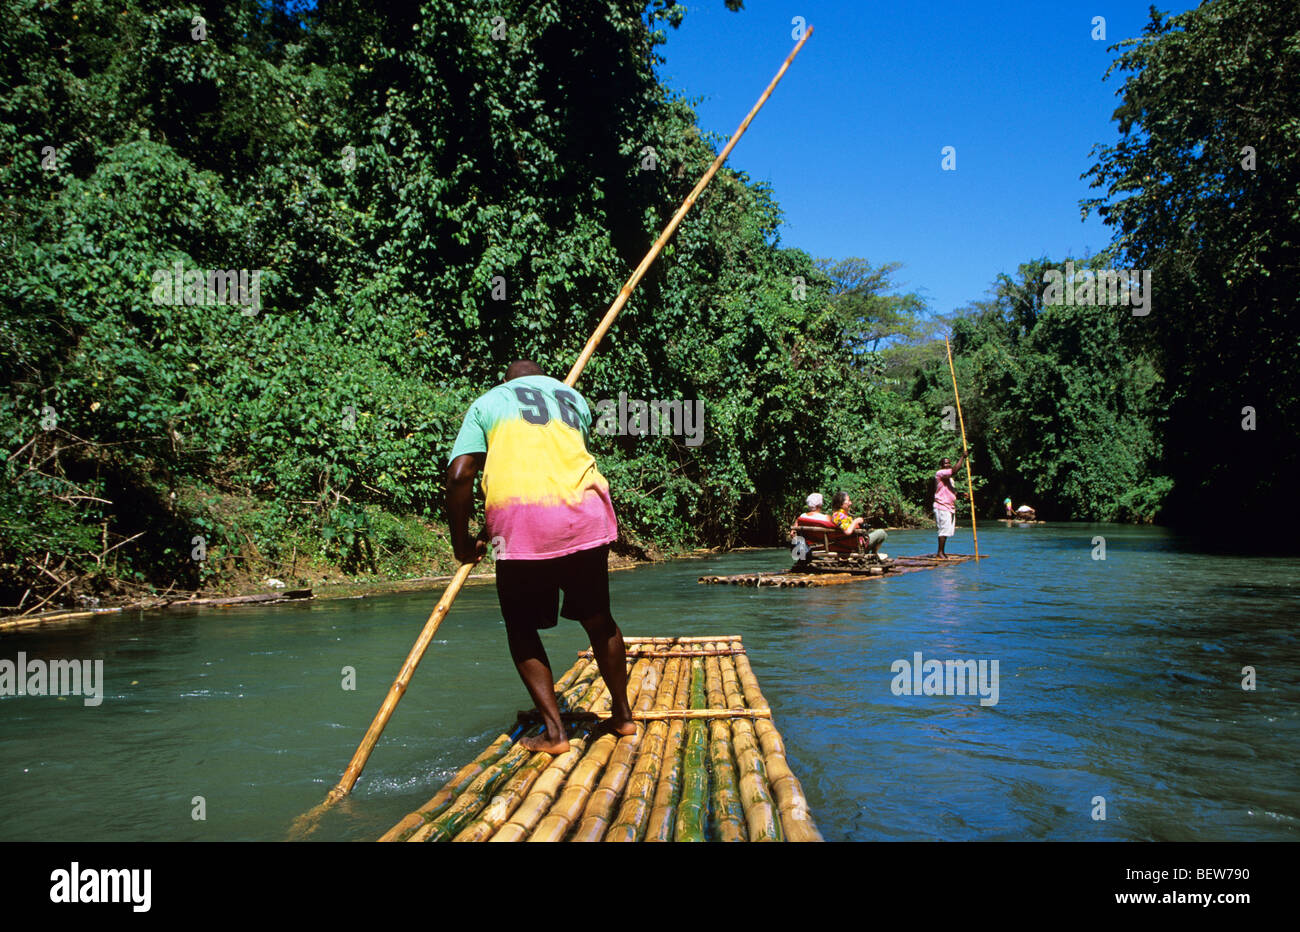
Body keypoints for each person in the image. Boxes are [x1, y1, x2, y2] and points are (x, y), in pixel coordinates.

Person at [446, 360, 635, 755]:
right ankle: (622, 716)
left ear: (507, 382)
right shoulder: (573, 400)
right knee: (599, 621)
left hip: (523, 524)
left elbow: (461, 473)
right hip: (584, 516)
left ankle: (554, 733)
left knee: (521, 627)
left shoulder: (488, 402)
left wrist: (462, 544)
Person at [829, 490, 888, 559]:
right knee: (882, 533)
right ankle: (874, 554)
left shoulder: (837, 515)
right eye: (848, 501)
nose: (850, 503)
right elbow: (847, 532)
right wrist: (856, 521)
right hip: (855, 547)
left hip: (847, 545)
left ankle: (873, 554)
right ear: (841, 504)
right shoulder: (839, 516)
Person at [934, 454, 965, 557]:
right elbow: (955, 470)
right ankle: (940, 552)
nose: (948, 464)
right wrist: (962, 457)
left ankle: (942, 551)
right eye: (945, 463)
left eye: (949, 463)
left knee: (946, 530)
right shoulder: (940, 473)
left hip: (949, 507)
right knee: (943, 530)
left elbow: (951, 492)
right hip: (941, 506)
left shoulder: (950, 480)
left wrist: (960, 495)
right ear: (941, 465)